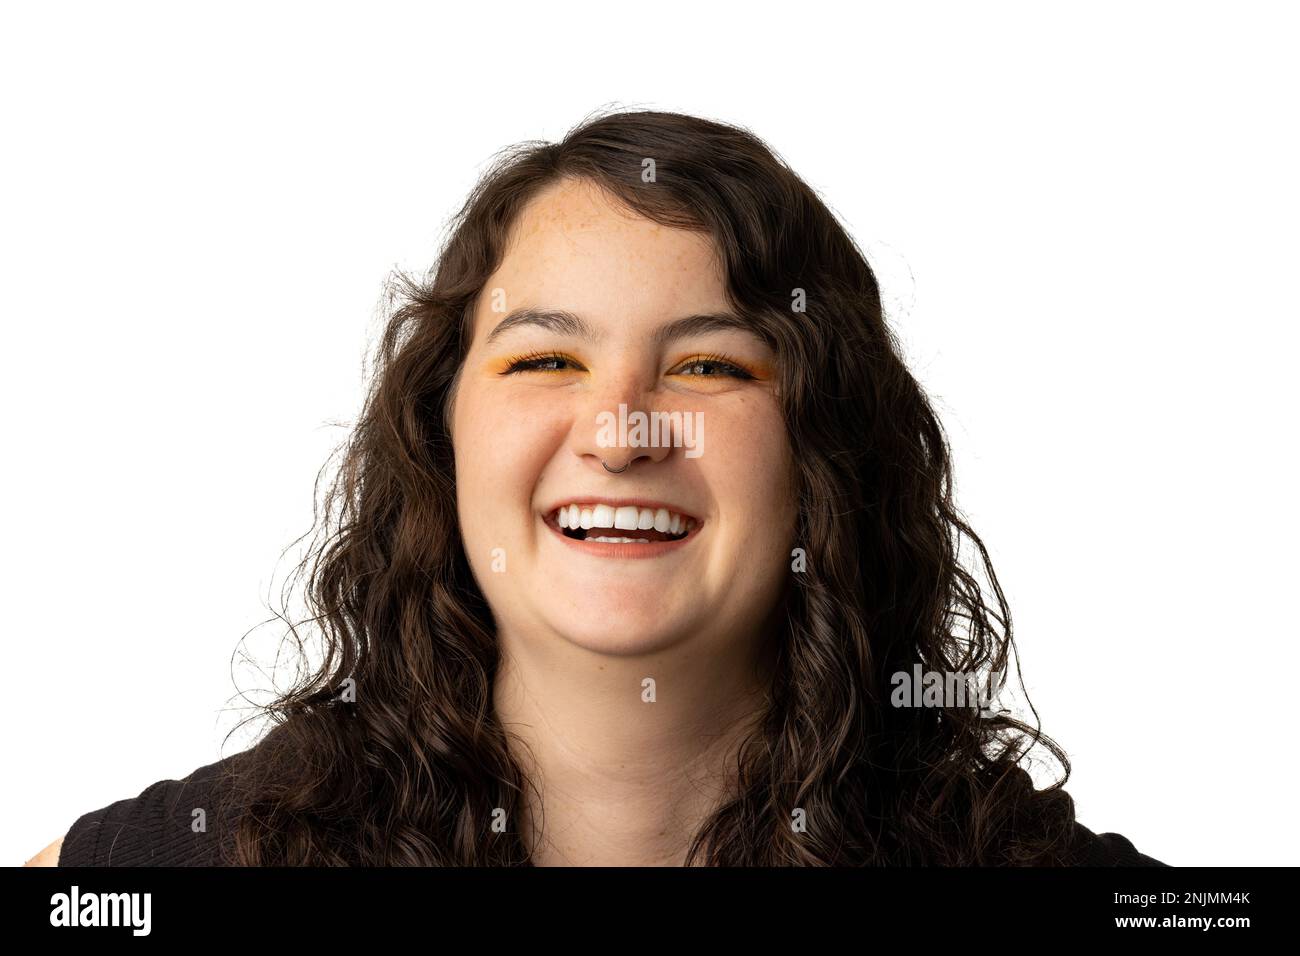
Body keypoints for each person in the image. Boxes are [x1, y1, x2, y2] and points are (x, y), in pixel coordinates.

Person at [28, 108, 1165, 867]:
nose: (621, 430)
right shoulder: (210, 853)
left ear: (825, 444)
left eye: (710, 364)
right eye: (544, 358)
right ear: (443, 430)